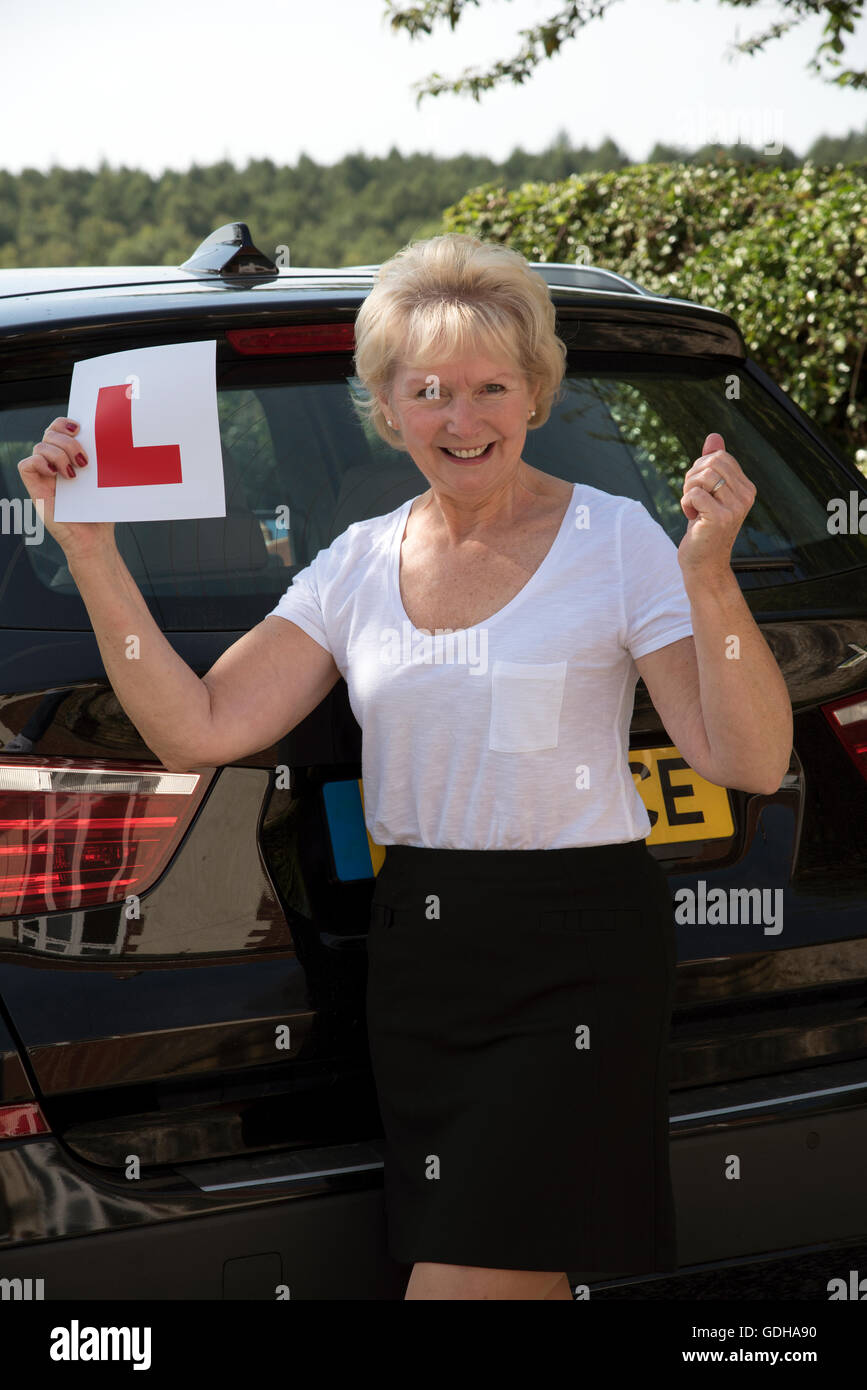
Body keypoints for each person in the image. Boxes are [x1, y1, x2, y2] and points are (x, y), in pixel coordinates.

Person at [18, 232, 792, 1302]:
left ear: (535, 396)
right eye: (429, 390)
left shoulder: (616, 540)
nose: (462, 419)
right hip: (423, 950)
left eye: (490, 387)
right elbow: (195, 726)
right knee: (516, 1271)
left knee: (468, 1271)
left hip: (577, 949)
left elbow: (744, 758)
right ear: (385, 404)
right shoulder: (355, 566)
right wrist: (92, 553)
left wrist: (708, 577)